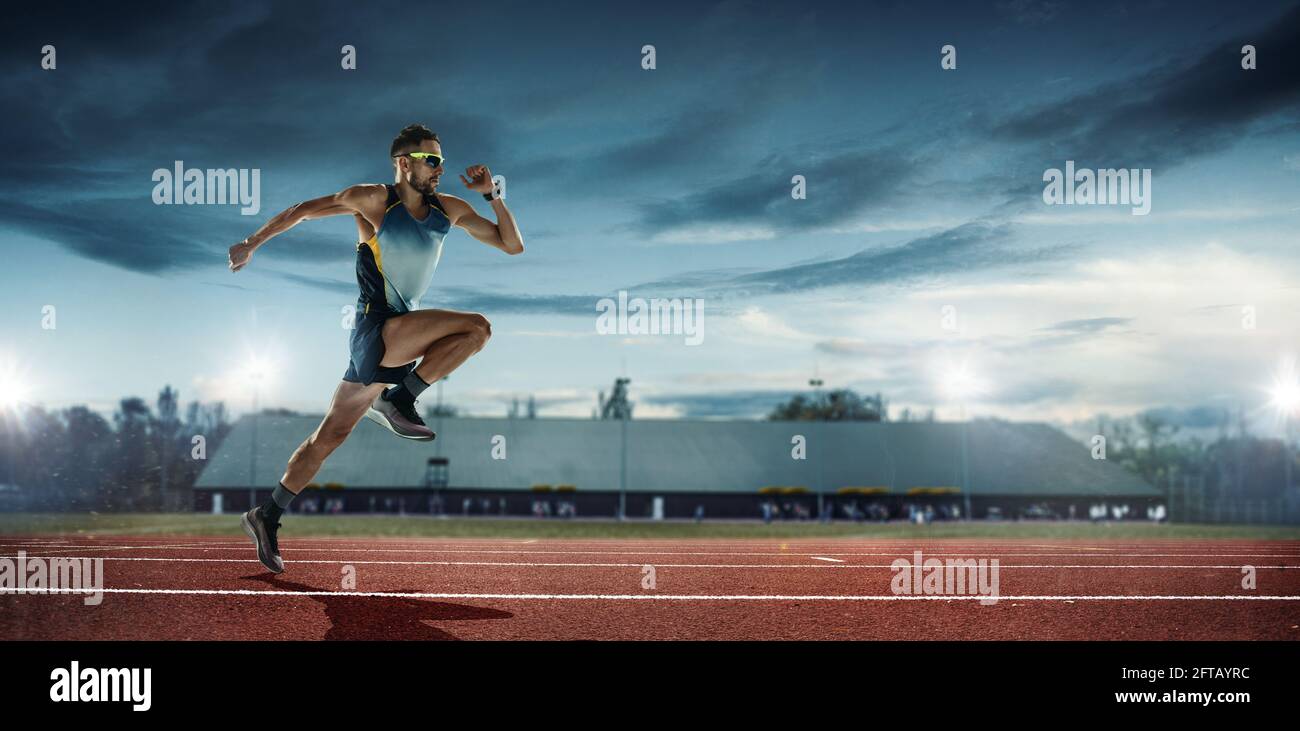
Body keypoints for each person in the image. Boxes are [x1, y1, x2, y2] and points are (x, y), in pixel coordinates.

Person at [230, 124, 525, 573]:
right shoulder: (372, 200)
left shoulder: (450, 209)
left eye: (441, 161)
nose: (440, 169)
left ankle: (266, 514)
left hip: (401, 337)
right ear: (404, 163)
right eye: (431, 160)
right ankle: (400, 398)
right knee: (477, 329)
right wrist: (251, 243)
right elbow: (302, 211)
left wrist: (492, 195)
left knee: (329, 436)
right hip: (377, 329)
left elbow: (512, 245)